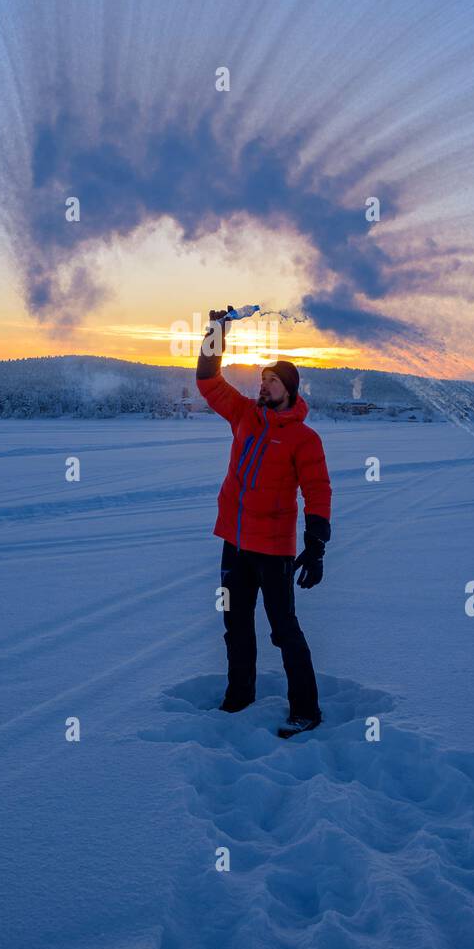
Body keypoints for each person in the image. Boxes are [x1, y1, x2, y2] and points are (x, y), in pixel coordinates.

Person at [196, 307, 332, 738]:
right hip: (234, 543)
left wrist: (316, 545)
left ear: (289, 389)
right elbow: (207, 382)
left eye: (272, 380)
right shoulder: (245, 416)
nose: (263, 383)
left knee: (283, 630)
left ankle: (306, 710)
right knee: (235, 624)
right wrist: (215, 333)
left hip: (273, 550)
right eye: (263, 378)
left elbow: (318, 491)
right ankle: (239, 698)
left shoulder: (304, 439)